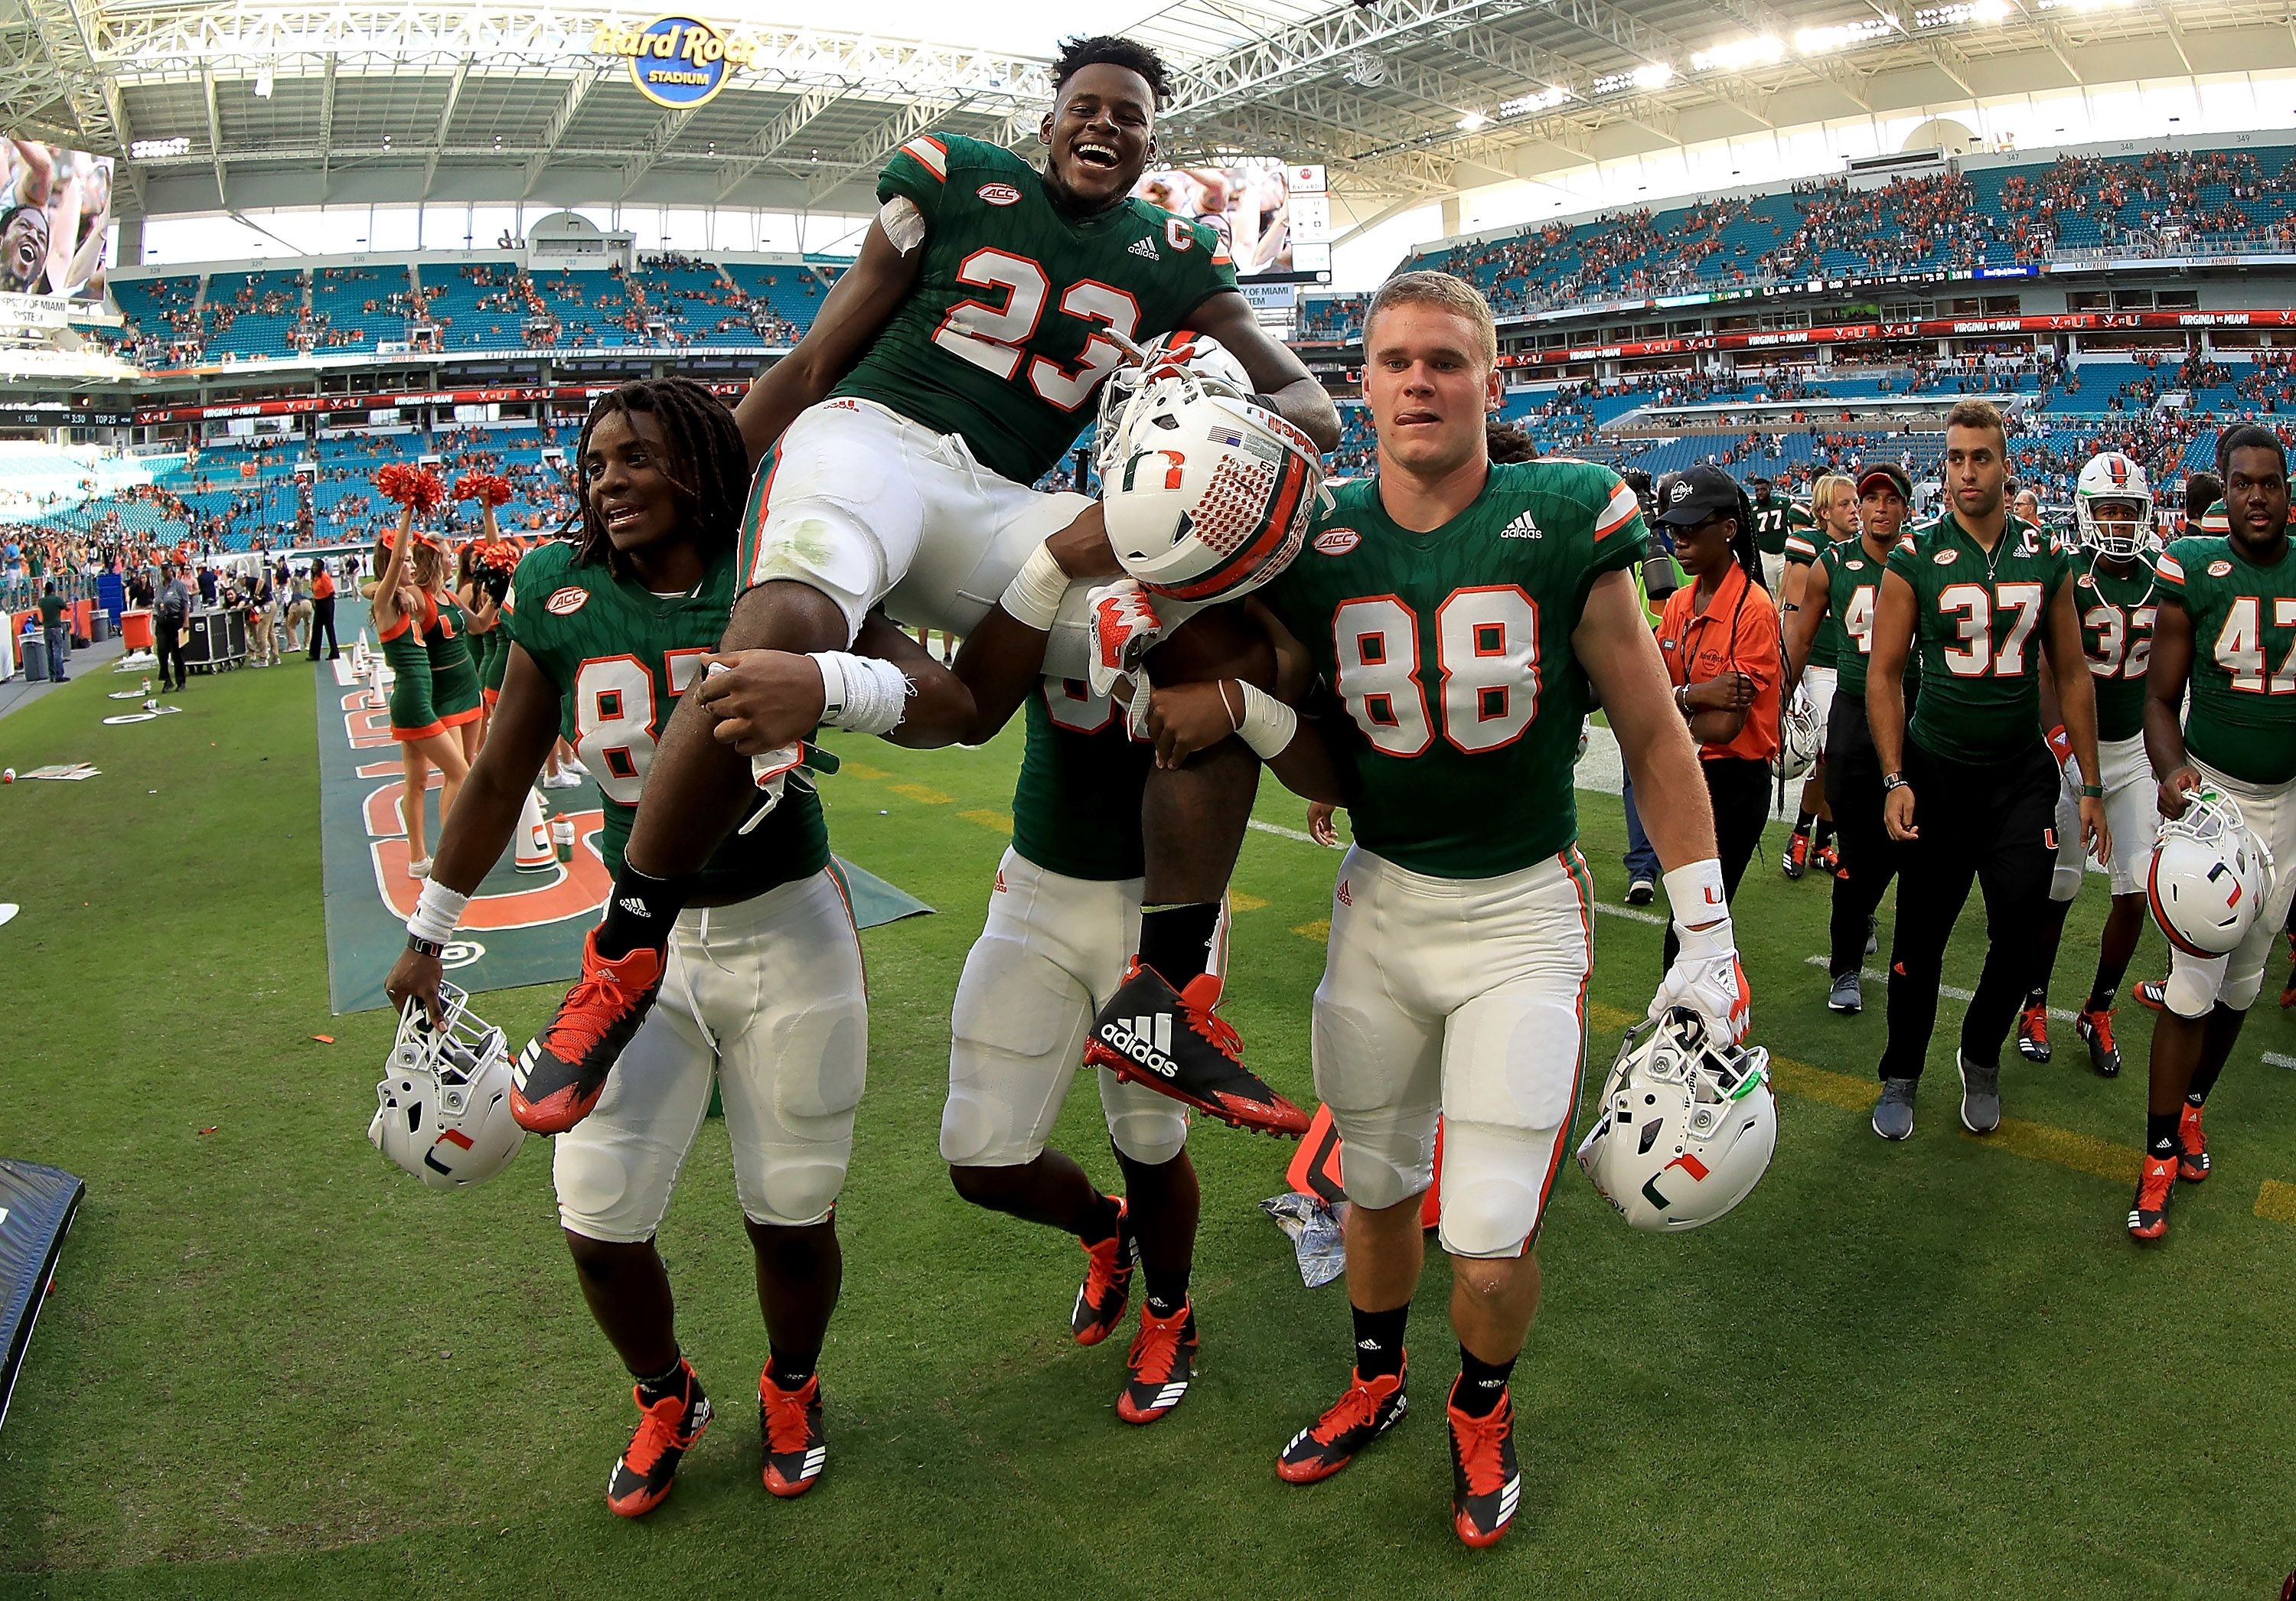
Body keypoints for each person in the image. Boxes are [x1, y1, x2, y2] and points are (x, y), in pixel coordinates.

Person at [515, 34, 1339, 1141]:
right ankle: (624, 953)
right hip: (870, 440)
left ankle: (1166, 994)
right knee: (784, 625)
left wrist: (1257, 416)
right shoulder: (959, 180)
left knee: (1216, 644)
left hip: (998, 499)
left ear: (1152, 144)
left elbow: (1303, 396)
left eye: (1130, 115)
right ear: (1049, 124)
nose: (1105, 124)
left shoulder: (1174, 256)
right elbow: (816, 362)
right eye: (1087, 106)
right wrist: (713, 507)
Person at [1135, 272, 1748, 1547]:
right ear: (1362, 383)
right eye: (1397, 360)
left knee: (1486, 1236)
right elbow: (1325, 762)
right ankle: (1376, 1378)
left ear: (1490, 381)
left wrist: (1709, 932)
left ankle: (1482, 1406)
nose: (1420, 380)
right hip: (1382, 904)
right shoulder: (1315, 537)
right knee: (1370, 1186)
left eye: (1447, 360)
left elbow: (1651, 730)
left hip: (1522, 914)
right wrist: (1244, 707)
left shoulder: (1568, 510)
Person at [386, 379, 882, 1518]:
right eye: (597, 461)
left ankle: (793, 1386)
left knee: (791, 1209)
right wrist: (430, 928)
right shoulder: (561, 590)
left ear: (702, 467)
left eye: (639, 457)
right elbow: (500, 773)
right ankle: (668, 1395)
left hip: (785, 928)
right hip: (638, 952)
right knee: (597, 1216)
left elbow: (922, 685)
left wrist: (836, 686)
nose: (609, 480)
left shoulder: (773, 575)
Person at [1864, 399, 2108, 1141]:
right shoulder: (1915, 556)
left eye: (1981, 457)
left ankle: (1980, 1051)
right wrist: (1895, 777)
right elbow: (1884, 674)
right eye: (1956, 458)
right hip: (1938, 772)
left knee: (2024, 936)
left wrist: (2092, 784)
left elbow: (2073, 672)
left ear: (2007, 465)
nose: (1967, 471)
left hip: (2019, 775)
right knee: (1919, 942)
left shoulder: (2045, 556)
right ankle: (1902, 1071)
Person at [2127, 426, 2296, 1242]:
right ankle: (2156, 1154)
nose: (2256, 496)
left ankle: (2193, 1108)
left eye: (2270, 482)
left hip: (2287, 808)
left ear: (2287, 490)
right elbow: (2160, 699)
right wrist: (2170, 773)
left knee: (2245, 983)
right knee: (2194, 986)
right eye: (2242, 483)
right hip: (2218, 802)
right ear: (2222, 490)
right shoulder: (2194, 568)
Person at [2011, 452, 2161, 1075]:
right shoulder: (2068, 572)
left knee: (2136, 893)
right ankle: (2034, 1002)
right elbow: (2048, 672)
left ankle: (2097, 1008)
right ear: (2086, 512)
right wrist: (2068, 752)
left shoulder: (2164, 575)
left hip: (2133, 753)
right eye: (2108, 510)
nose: (2119, 522)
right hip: (2070, 753)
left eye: (2128, 511)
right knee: (2061, 887)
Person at [1785, 463, 1916, 1014]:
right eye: (1871, 498)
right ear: (1859, 507)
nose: (1880, 507)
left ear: (1906, 507)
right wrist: (1780, 700)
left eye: (1891, 499)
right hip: (1854, 710)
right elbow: (1800, 638)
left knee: (1911, 846)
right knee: (1856, 848)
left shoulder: (1923, 562)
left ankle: (1875, 926)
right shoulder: (1832, 564)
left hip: (1914, 713)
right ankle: (1845, 965)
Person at [1652, 463, 1781, 962]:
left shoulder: (1754, 609)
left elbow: (1726, 726)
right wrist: (1695, 695)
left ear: (1728, 529)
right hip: (1686, 777)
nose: (1679, 540)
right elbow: (1650, 697)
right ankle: (1701, 1004)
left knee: (1695, 921)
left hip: (1734, 785)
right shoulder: (1679, 603)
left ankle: (1698, 1005)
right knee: (1692, 918)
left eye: (1691, 526)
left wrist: (1672, 706)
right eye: (1673, 528)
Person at [369, 517, 469, 879]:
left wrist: (399, 588)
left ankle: (417, 860)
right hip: (414, 703)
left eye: (413, 560)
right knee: (460, 773)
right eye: (407, 561)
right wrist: (409, 509)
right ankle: (449, 856)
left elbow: (385, 582)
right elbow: (389, 570)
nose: (411, 565)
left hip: (414, 699)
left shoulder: (404, 599)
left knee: (418, 782)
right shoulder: (386, 602)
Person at [1781, 474, 1854, 877]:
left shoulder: (1865, 548)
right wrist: (1789, 679)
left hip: (1853, 665)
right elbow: (1793, 618)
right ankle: (1802, 834)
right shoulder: (1810, 546)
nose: (1855, 510)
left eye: (1855, 502)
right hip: (1820, 665)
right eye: (1845, 504)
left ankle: (1821, 841)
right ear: (1824, 512)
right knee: (1830, 754)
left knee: (1844, 759)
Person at [154, 560, 194, 693]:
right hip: (162, 621)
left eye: (167, 569)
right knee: (162, 650)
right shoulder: (159, 587)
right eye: (163, 569)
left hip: (175, 619)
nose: (165, 572)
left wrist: (186, 621)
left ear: (172, 570)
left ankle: (181, 681)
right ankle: (166, 680)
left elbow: (185, 604)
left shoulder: (179, 586)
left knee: (177, 652)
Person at [1750, 474, 1793, 593]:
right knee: (1768, 590)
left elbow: (1793, 525)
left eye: (1763, 489)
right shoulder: (1752, 508)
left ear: (1770, 489)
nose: (1760, 493)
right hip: (1765, 555)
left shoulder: (1783, 503)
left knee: (1788, 589)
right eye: (1757, 490)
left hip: (1784, 554)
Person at [244, 563, 279, 666]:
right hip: (272, 603)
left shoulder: (250, 581)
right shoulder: (250, 584)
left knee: (261, 633)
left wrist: (256, 593)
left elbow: (261, 580)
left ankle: (263, 658)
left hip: (267, 605)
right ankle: (276, 657)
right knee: (270, 632)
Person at [307, 559, 339, 660]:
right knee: (316, 628)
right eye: (313, 566)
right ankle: (314, 654)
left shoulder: (324, 577)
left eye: (316, 566)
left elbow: (331, 592)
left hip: (326, 603)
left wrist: (326, 605)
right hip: (318, 603)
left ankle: (334, 652)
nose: (314, 568)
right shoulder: (315, 578)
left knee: (329, 628)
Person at [36, 578, 67, 684]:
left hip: (46, 629)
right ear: (53, 590)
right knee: (57, 652)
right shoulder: (56, 600)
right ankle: (59, 675)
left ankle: (52, 675)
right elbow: (65, 607)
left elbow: (40, 604)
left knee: (49, 653)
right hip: (56, 628)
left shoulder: (42, 601)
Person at [282, 567, 310, 654]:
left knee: (290, 626)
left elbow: (287, 604)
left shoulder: (288, 589)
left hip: (296, 604)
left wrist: (286, 615)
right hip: (307, 602)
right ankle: (308, 644)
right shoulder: (300, 585)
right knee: (308, 624)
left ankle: (294, 645)